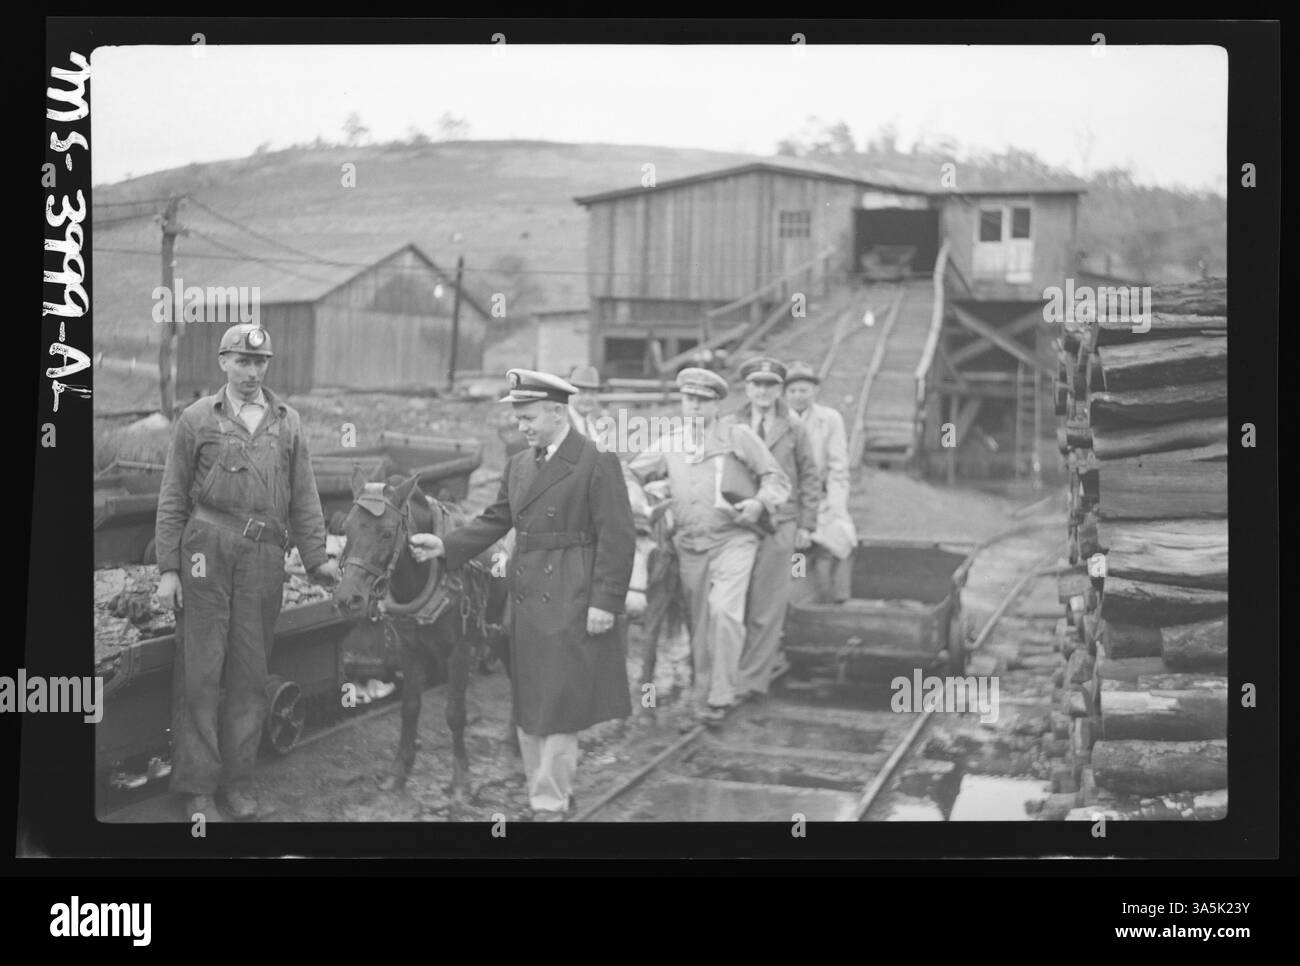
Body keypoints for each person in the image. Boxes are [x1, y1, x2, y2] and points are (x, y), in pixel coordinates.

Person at [409, 368, 636, 821]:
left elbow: (618, 538)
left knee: (558, 703)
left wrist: (604, 603)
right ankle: (545, 792)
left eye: (529, 417)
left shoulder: (596, 460)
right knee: (530, 700)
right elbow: (495, 520)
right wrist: (446, 546)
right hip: (527, 595)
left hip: (572, 592)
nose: (522, 427)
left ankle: (548, 801)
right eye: (519, 419)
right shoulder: (518, 465)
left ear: (556, 412)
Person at [154, 323, 339, 822]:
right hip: (205, 550)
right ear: (223, 363)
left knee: (250, 674)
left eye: (259, 363)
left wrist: (317, 558)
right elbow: (172, 495)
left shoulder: (287, 422)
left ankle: (236, 782)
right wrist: (169, 569)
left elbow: (305, 496)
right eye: (242, 361)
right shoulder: (196, 418)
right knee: (200, 670)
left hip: (263, 556)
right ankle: (196, 788)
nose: (251, 371)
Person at [625, 368, 790, 723]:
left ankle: (720, 697)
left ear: (718, 405)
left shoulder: (738, 436)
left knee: (724, 613)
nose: (695, 407)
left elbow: (776, 478)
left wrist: (760, 503)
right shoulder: (669, 442)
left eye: (703, 401)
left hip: (733, 539)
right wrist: (640, 499)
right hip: (689, 545)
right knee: (699, 625)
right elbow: (630, 473)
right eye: (689, 399)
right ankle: (702, 695)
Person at [728, 357, 821, 701]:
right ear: (747, 388)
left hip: (781, 523)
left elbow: (810, 475)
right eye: (757, 384)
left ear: (779, 389)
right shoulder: (731, 423)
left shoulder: (793, 427)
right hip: (738, 522)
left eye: (770, 385)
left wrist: (807, 524)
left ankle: (751, 680)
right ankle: (727, 672)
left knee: (767, 605)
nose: (764, 391)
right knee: (732, 601)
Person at [783, 361, 857, 605]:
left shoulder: (830, 419)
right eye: (792, 391)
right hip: (790, 500)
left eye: (804, 390)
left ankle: (837, 599)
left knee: (841, 537)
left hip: (823, 498)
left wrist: (837, 506)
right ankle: (797, 598)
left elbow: (838, 467)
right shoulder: (780, 421)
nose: (798, 396)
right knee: (795, 548)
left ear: (814, 391)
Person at [566, 364, 610, 449]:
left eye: (592, 393)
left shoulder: (598, 424)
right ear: (570, 394)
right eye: (582, 392)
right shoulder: (562, 423)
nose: (587, 398)